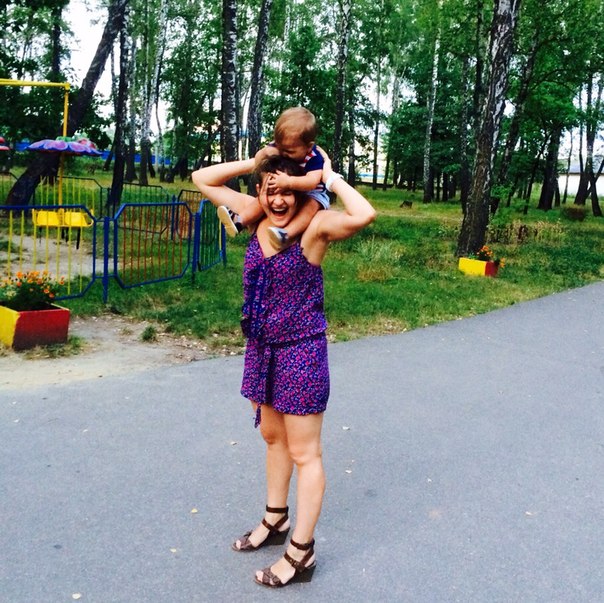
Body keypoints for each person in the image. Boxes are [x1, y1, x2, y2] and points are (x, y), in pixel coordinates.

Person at [191, 149, 375, 588]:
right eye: (268, 189)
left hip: (300, 353)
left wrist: (328, 178)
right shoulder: (253, 216)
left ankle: (301, 552)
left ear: (299, 192)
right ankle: (275, 520)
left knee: (305, 453)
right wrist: (256, 161)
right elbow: (202, 178)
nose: (277, 199)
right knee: (273, 438)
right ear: (259, 191)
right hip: (261, 349)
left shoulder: (315, 228)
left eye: (286, 191)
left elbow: (364, 214)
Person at [217, 107, 330, 250]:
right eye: (280, 148)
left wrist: (289, 182)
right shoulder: (282, 146)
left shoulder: (314, 157)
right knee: (263, 197)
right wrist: (265, 152)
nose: (283, 154)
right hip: (285, 187)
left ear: (309, 147)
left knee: (310, 206)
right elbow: (258, 160)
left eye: (289, 151)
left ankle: (286, 235)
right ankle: (239, 222)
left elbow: (311, 182)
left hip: (312, 193)